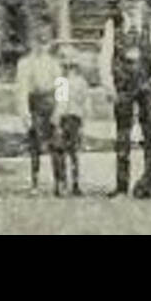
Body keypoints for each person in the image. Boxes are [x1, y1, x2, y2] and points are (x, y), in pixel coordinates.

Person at [98, 0, 151, 196]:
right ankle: (121, 186)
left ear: (143, 2)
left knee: (150, 133)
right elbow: (104, 56)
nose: (131, 5)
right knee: (122, 135)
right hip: (123, 87)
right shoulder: (113, 25)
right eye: (127, 0)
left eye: (136, 0)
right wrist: (108, 85)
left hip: (146, 85)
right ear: (121, 3)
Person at [14, 21, 62, 193]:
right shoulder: (25, 63)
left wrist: (59, 111)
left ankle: (59, 183)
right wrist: (24, 114)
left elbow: (61, 87)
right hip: (34, 103)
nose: (41, 46)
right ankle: (35, 182)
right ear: (31, 43)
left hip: (50, 103)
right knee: (34, 144)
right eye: (37, 42)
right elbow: (21, 89)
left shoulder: (54, 63)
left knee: (56, 144)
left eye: (45, 42)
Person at [53, 44, 89, 196]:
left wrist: (56, 120)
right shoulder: (72, 81)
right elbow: (84, 104)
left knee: (67, 152)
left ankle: (68, 183)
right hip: (70, 118)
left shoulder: (67, 81)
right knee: (67, 152)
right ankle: (67, 183)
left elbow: (83, 103)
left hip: (70, 118)